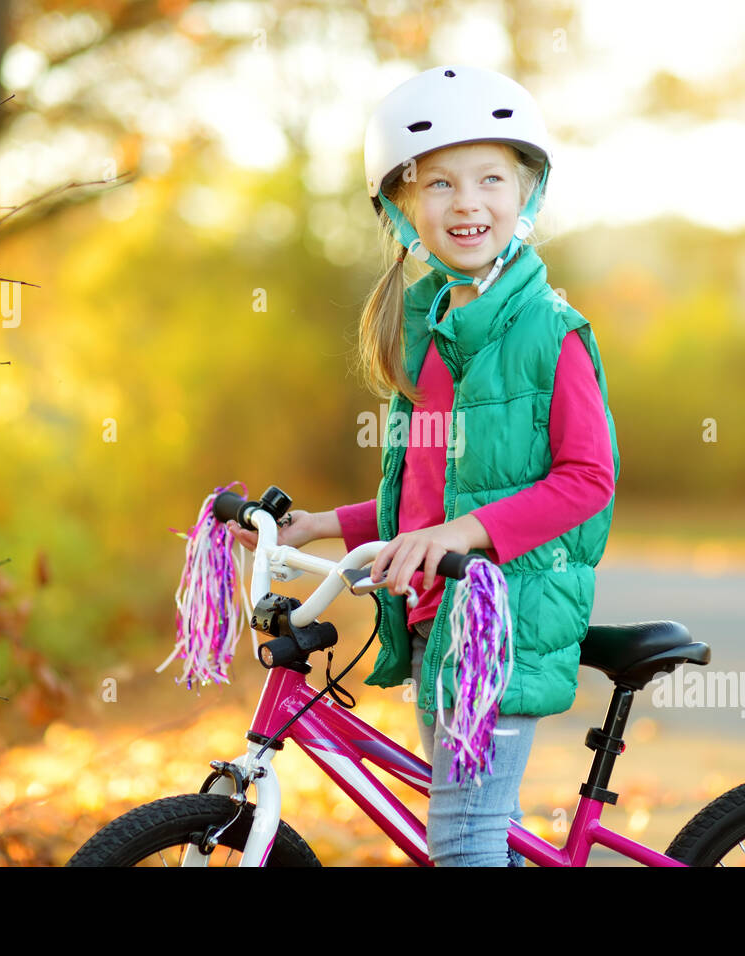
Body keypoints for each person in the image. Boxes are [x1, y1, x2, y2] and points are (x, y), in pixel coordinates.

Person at [227, 64, 620, 867]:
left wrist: (462, 535)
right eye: (438, 183)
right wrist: (326, 525)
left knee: (464, 839)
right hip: (437, 618)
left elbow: (588, 480)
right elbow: (428, 498)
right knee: (475, 835)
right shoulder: (434, 334)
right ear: (403, 211)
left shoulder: (552, 331)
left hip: (501, 626)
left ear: (528, 193)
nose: (467, 201)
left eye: (489, 179)